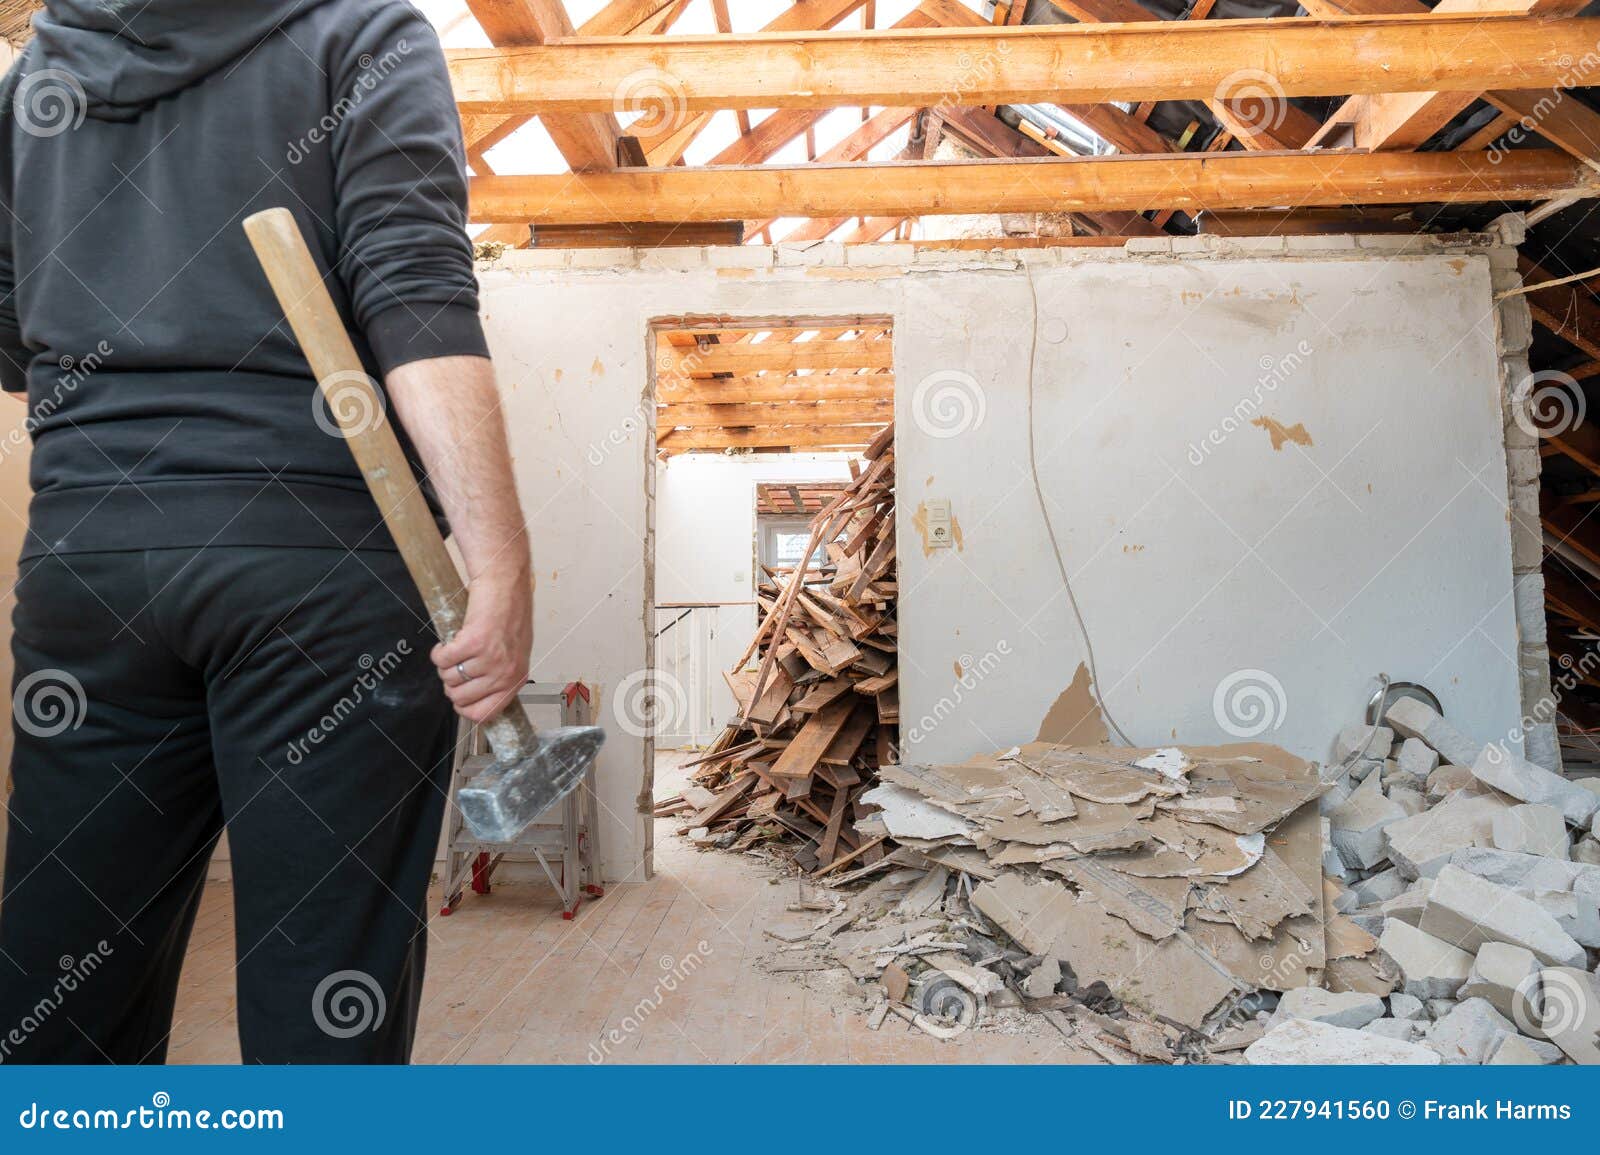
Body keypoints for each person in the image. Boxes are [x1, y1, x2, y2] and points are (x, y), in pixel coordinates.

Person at [0, 0, 531, 1063]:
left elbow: (17, 334)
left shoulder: (28, 83)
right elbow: (415, 292)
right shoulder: (363, 35)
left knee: (62, 1000)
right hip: (321, 566)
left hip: (91, 568)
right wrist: (501, 557)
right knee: (323, 1000)